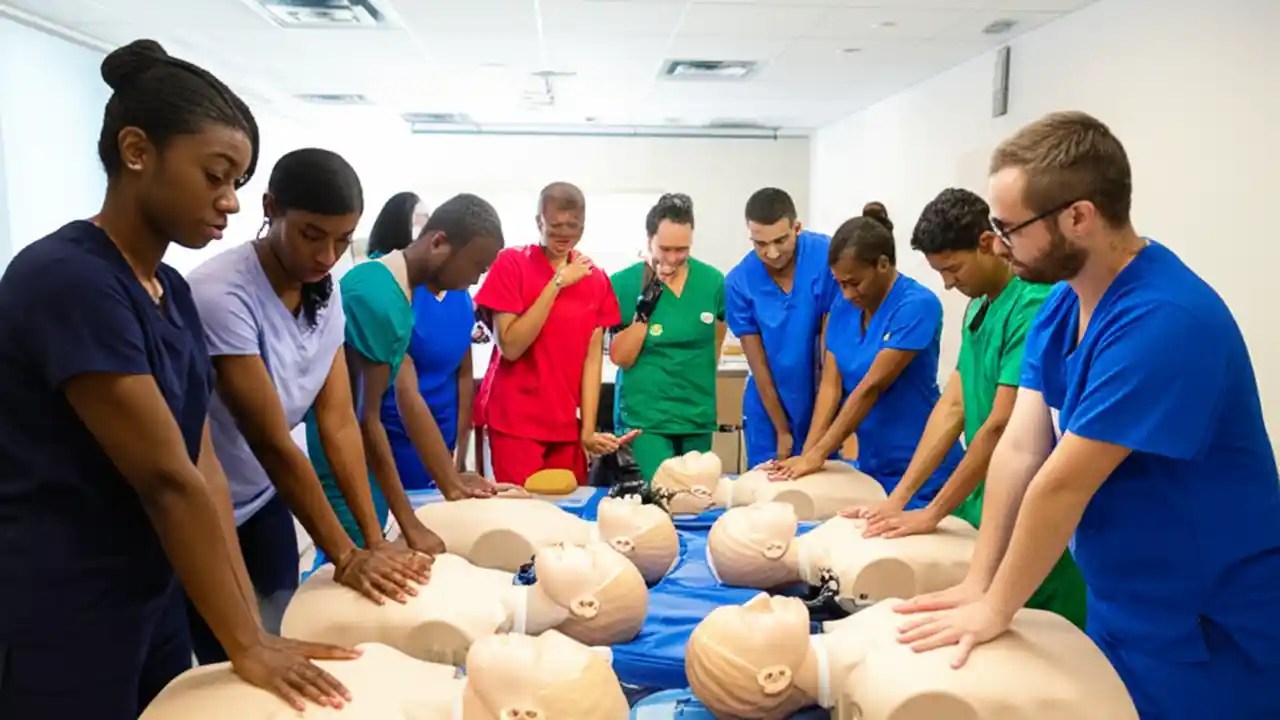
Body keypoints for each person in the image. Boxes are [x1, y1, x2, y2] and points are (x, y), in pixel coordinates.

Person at [0, 39, 356, 718]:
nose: (227, 202)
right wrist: (247, 642)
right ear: (137, 151)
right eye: (215, 176)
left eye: (238, 185)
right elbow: (165, 478)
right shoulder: (69, 280)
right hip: (63, 604)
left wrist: (246, 629)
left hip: (151, 590)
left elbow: (203, 467)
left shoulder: (169, 289)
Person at [894, 112, 1280, 719]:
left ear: (1078, 216)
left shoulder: (1164, 320)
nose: (997, 242)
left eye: (1009, 227)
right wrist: (979, 581)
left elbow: (1063, 481)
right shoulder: (1061, 306)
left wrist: (997, 606)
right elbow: (1021, 448)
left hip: (1204, 622)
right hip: (1121, 603)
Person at [186, 150, 431, 665]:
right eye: (310, 234)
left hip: (260, 497)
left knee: (284, 624)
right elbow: (272, 441)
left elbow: (338, 419)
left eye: (342, 240)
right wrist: (343, 555)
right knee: (233, 655)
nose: (326, 256)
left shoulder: (325, 289)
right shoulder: (220, 294)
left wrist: (372, 539)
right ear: (271, 208)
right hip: (202, 506)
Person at [843, 188, 1085, 629]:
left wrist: (933, 511)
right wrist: (899, 501)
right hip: (985, 498)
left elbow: (1000, 425)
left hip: (1029, 499)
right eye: (940, 272)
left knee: (1041, 635)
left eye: (953, 268)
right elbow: (952, 405)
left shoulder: (1032, 304)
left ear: (987, 242)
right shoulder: (979, 306)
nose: (948, 284)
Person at [307, 193, 504, 551]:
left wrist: (451, 480)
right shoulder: (376, 297)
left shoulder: (400, 292)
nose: (474, 281)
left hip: (363, 457)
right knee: (361, 567)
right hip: (345, 460)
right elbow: (367, 420)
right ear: (439, 242)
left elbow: (407, 396)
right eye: (476, 266)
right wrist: (409, 525)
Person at [769, 204, 963, 511]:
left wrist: (819, 455)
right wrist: (808, 455)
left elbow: (870, 388)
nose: (846, 293)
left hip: (924, 467)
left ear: (883, 264)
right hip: (872, 467)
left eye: (854, 282)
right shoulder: (844, 309)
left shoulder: (917, 306)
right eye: (840, 284)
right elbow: (831, 388)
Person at [473, 182, 624, 486]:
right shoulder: (511, 264)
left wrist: (588, 430)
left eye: (574, 225)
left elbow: (592, 359)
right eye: (555, 225)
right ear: (538, 221)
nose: (564, 233)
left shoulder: (595, 278)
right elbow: (511, 346)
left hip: (565, 425)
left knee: (568, 518)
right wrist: (556, 283)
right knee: (522, 515)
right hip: (515, 421)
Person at [609, 193, 726, 481]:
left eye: (681, 249)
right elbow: (621, 358)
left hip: (696, 414)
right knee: (666, 493)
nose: (673, 258)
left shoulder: (712, 282)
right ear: (649, 239)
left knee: (697, 499)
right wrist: (648, 301)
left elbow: (715, 343)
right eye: (665, 248)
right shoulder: (624, 283)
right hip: (647, 417)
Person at [367, 191, 476, 489]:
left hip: (446, 429)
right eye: (421, 223)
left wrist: (459, 449)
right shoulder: (384, 284)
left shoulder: (457, 285)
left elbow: (464, 371)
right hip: (394, 434)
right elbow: (400, 389)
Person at [726, 188, 839, 469]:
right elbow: (759, 365)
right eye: (760, 244)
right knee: (767, 496)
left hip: (820, 398)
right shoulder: (739, 282)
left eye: (781, 240)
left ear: (797, 228)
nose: (772, 252)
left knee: (821, 492)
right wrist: (781, 430)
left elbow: (829, 358)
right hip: (769, 406)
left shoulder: (825, 257)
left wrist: (815, 441)